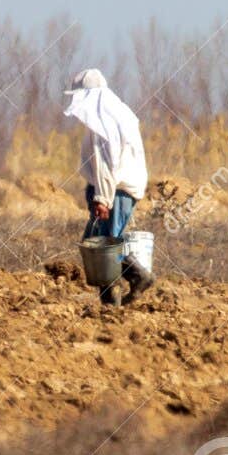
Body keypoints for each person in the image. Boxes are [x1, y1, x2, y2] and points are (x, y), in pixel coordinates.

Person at [65, 68, 154, 305]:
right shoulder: (118, 113)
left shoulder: (101, 123)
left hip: (115, 190)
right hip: (120, 189)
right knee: (100, 244)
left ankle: (130, 285)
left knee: (103, 247)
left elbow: (106, 165)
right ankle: (123, 288)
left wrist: (103, 198)